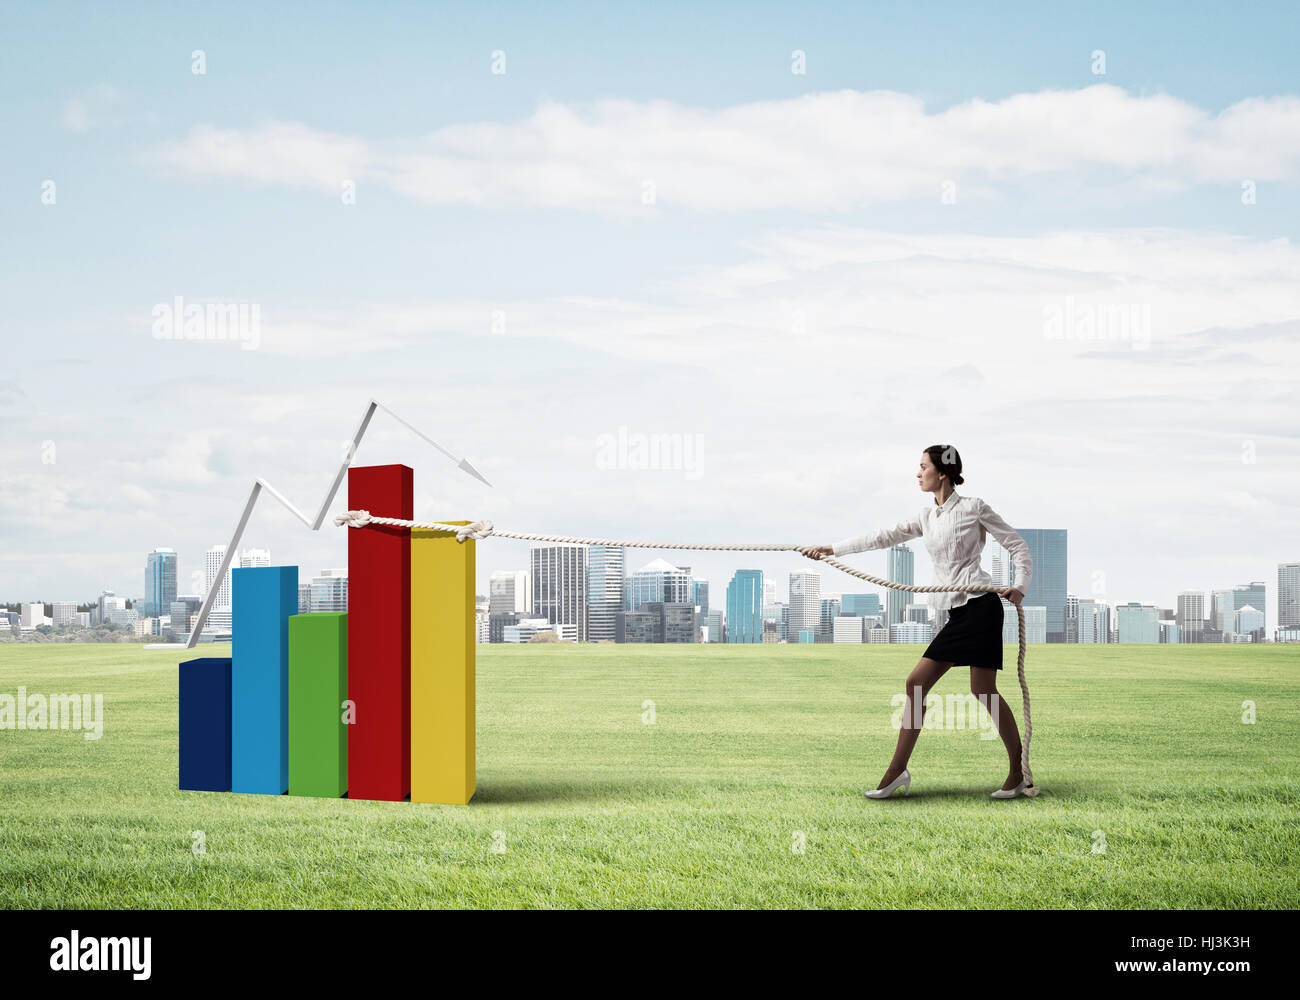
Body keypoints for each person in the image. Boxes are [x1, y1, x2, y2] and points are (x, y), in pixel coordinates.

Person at [798, 445, 1033, 799]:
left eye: (922, 467)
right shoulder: (926, 517)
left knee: (945, 687)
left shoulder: (974, 508)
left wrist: (1020, 586)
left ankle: (1012, 773)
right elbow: (882, 536)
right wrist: (832, 549)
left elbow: (1017, 546)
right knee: (945, 687)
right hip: (958, 613)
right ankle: (905, 773)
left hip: (982, 607)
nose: (918, 473)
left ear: (942, 472)